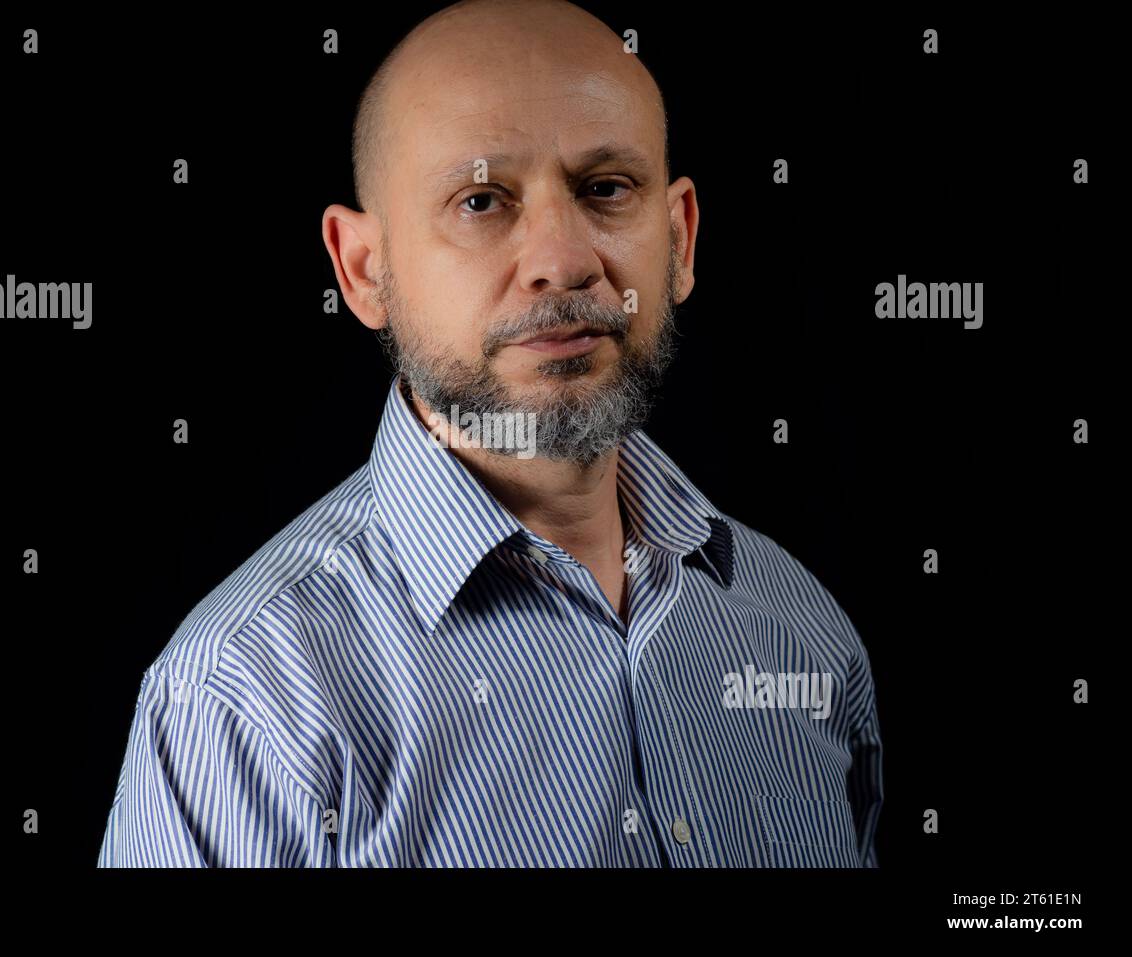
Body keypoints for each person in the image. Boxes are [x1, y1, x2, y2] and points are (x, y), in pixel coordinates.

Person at [98, 0, 882, 867]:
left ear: (680, 237)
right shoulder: (245, 696)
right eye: (481, 200)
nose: (561, 259)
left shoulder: (800, 629)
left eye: (605, 189)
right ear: (364, 270)